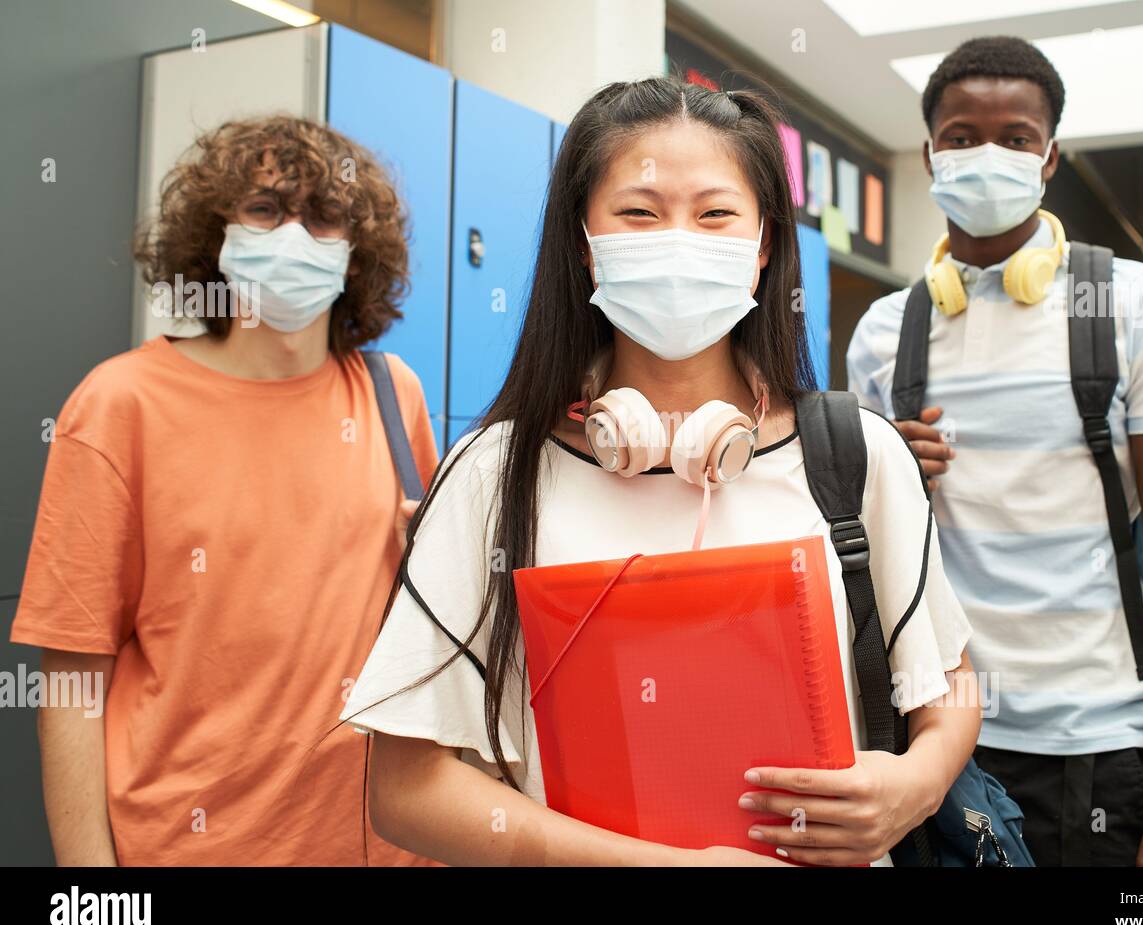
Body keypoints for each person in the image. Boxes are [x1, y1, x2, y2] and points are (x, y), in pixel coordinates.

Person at [340, 75, 979, 867]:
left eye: (716, 215)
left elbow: (950, 684)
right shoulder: (494, 473)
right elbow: (404, 790)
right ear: (584, 241)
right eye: (639, 214)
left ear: (764, 246)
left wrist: (916, 783)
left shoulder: (856, 454)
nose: (680, 240)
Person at [11, 116, 439, 866]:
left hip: (385, 845)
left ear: (355, 249)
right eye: (267, 211)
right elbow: (74, 677)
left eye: (325, 217)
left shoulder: (390, 394)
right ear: (214, 236)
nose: (296, 238)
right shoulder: (122, 405)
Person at [847, 37, 1143, 866]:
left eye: (1016, 138)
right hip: (940, 734)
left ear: (1050, 158)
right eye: (961, 136)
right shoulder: (886, 333)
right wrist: (889, 477)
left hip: (1101, 747)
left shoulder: (1135, 306)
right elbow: (867, 558)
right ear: (929, 154)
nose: (987, 154)